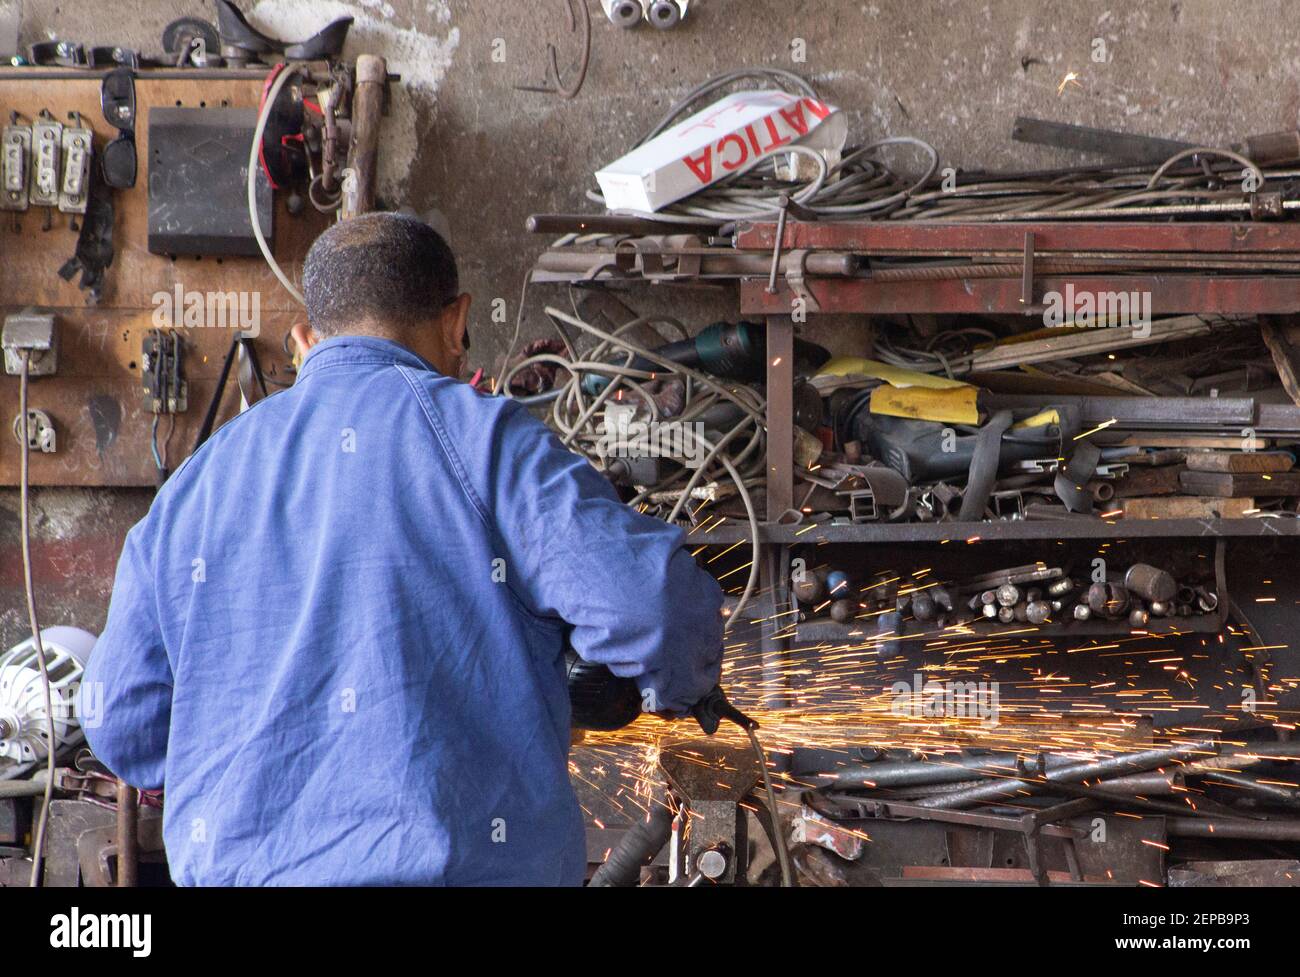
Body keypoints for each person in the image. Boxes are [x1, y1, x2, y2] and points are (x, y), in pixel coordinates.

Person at [81, 212, 724, 885]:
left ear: (304, 340)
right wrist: (669, 691)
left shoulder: (194, 487)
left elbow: (121, 721)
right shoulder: (486, 441)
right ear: (456, 322)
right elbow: (652, 606)